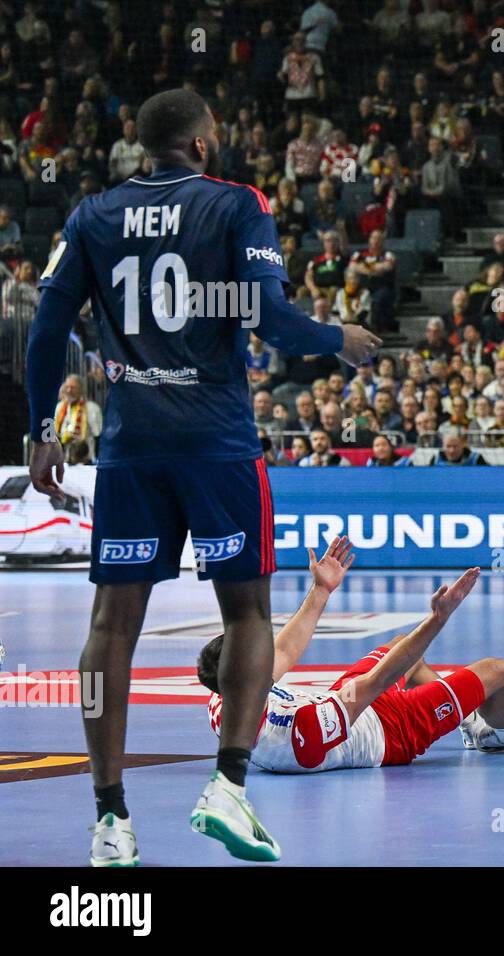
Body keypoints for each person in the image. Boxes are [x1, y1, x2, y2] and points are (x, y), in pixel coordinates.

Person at [25, 89, 382, 867]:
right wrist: (340, 338)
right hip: (216, 442)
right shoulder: (235, 204)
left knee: (109, 630)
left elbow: (48, 329)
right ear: (203, 143)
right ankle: (227, 787)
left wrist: (43, 430)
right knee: (248, 615)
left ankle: (110, 819)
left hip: (130, 447)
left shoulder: (92, 214)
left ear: (142, 146)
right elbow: (269, 318)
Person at [196, 538, 504, 795]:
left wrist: (321, 589)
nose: (264, 652)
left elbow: (287, 649)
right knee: (498, 671)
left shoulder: (228, 695)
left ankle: (468, 722)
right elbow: (380, 680)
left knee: (396, 644)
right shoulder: (301, 731)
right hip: (389, 733)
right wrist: (437, 619)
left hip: (343, 704)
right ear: (246, 670)